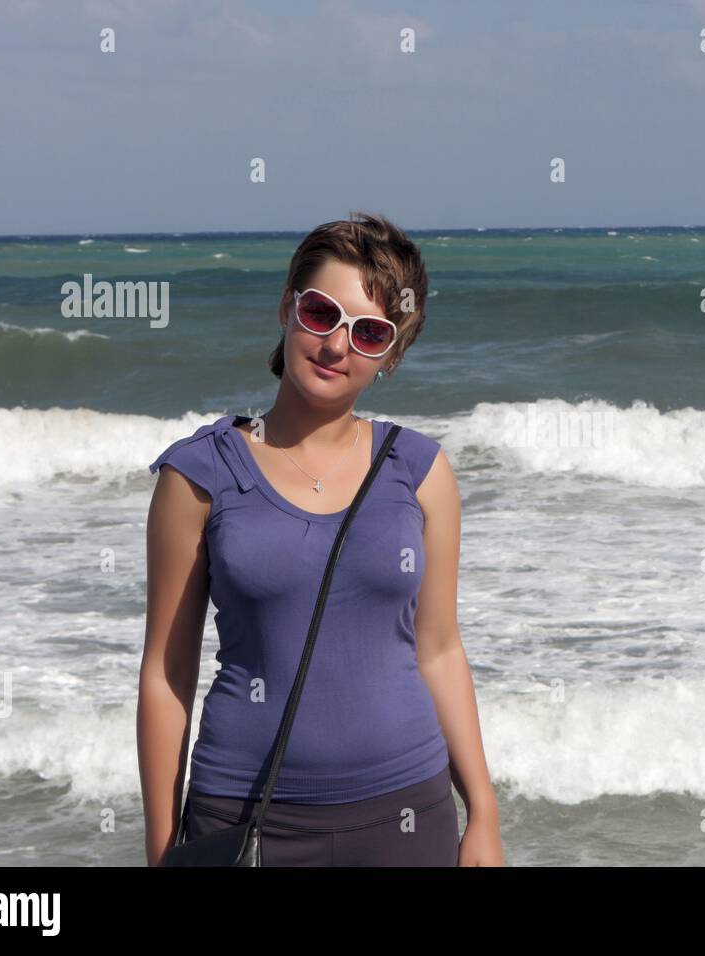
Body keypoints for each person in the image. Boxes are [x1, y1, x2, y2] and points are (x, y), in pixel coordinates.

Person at [138, 213, 504, 866]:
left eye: (368, 332)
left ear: (390, 356)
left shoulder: (420, 472)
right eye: (320, 312)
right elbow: (167, 673)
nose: (337, 344)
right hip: (245, 820)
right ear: (287, 308)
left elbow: (441, 651)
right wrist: (162, 848)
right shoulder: (198, 475)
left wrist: (483, 812)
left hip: (407, 816)